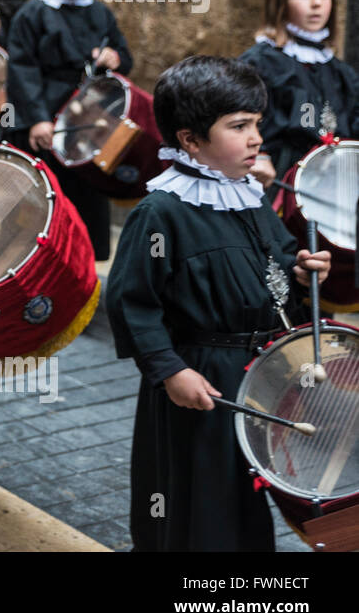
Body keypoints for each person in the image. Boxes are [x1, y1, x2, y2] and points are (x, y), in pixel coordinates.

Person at [105, 55, 330, 551]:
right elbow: (129, 301)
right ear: (190, 140)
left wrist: (300, 268)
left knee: (244, 501)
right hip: (202, 380)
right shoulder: (161, 211)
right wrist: (170, 370)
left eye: (257, 124)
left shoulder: (246, 194)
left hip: (257, 377)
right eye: (239, 126)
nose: (256, 138)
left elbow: (277, 262)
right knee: (202, 505)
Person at [7, 0, 132, 260]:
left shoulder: (98, 12)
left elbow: (123, 56)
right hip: (48, 115)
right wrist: (37, 120)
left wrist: (114, 59)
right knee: (51, 201)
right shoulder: (33, 14)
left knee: (87, 198)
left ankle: (85, 268)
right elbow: (22, 69)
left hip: (88, 121)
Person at [238, 0, 358, 184]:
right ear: (281, 1)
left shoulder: (340, 72)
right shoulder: (259, 63)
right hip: (278, 178)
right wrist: (259, 155)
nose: (316, 3)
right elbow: (238, 118)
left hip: (334, 182)